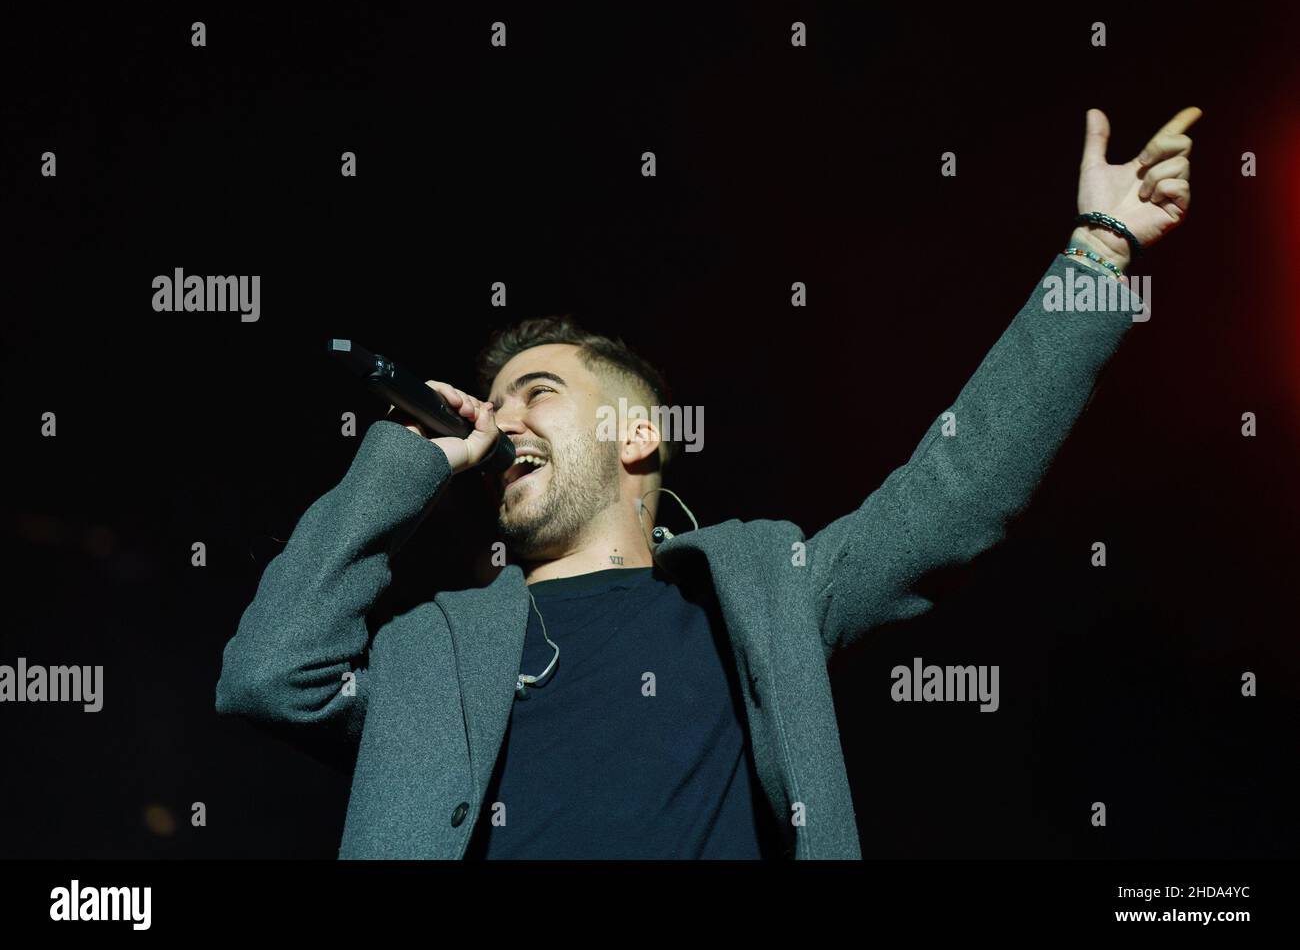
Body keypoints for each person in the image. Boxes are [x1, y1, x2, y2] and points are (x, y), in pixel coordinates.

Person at [215, 107, 1201, 859]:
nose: (504, 418)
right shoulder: (435, 650)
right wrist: (406, 459)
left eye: (539, 391)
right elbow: (267, 677)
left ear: (637, 434)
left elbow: (956, 492)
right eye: (495, 401)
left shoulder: (760, 593)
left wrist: (1097, 250)